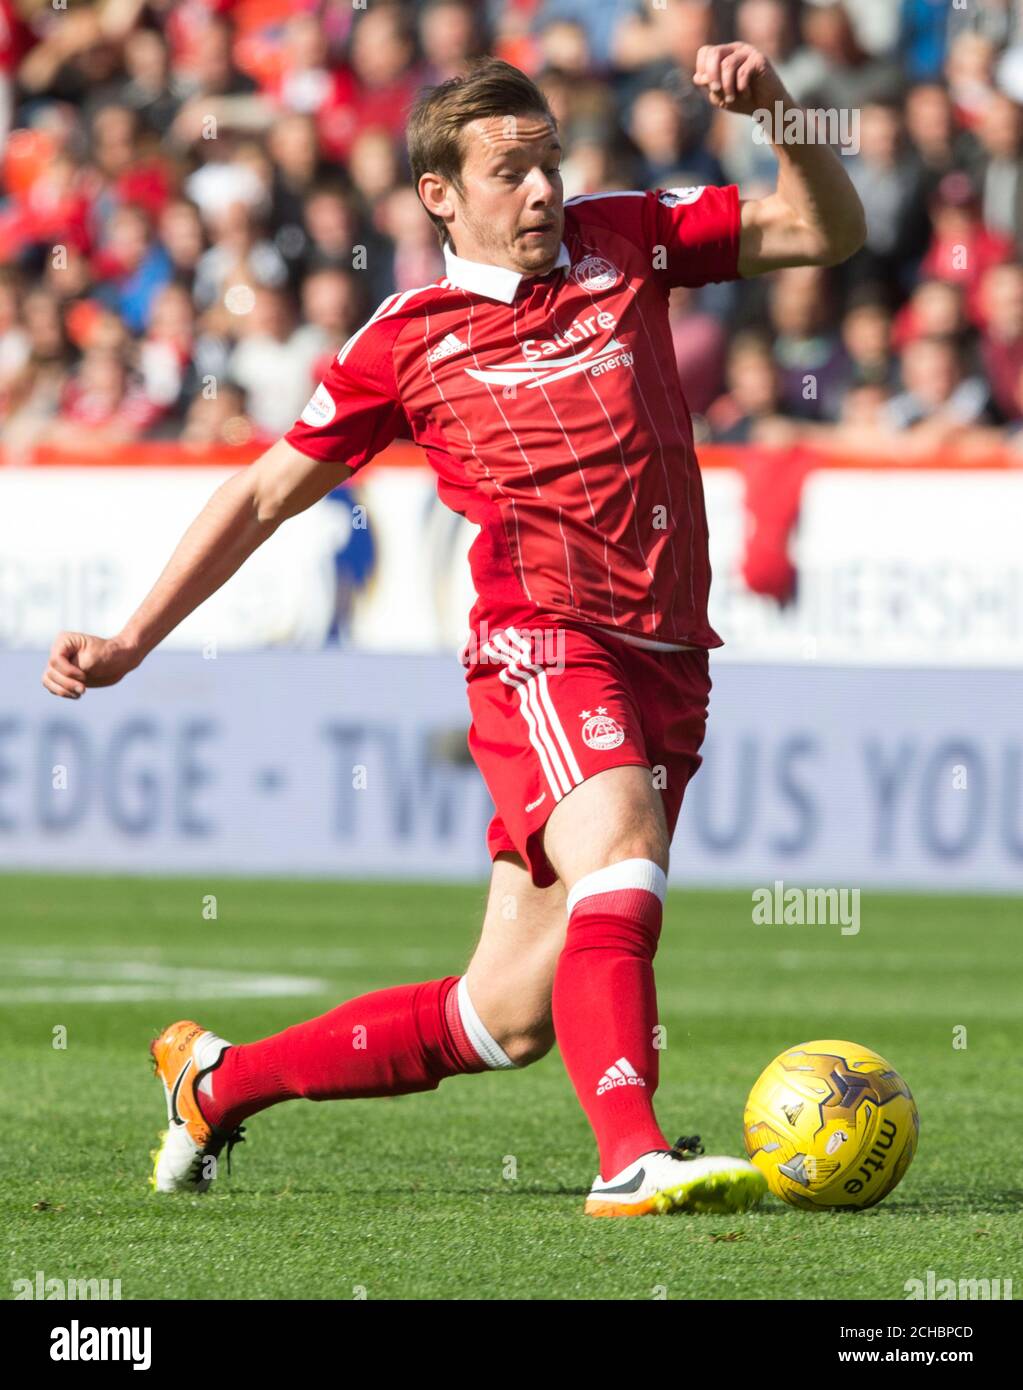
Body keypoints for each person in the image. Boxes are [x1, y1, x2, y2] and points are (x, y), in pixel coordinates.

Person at [41, 49, 865, 1218]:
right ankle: (630, 1154)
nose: (542, 192)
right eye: (510, 171)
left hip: (670, 654)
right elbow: (263, 496)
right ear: (440, 193)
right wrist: (132, 638)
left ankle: (217, 1084)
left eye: (549, 164)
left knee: (505, 1016)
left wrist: (782, 110)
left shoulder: (625, 236)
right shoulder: (407, 337)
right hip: (541, 642)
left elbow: (821, 231)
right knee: (621, 847)